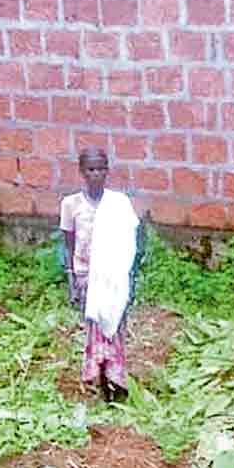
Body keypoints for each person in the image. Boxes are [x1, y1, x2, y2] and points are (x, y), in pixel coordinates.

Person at [59, 148, 141, 400]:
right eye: (90, 169)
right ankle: (103, 378)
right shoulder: (71, 204)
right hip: (86, 276)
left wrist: (129, 277)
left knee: (114, 324)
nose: (96, 174)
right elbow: (69, 243)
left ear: (107, 170)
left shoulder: (118, 204)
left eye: (101, 169)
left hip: (113, 277)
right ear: (82, 172)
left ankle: (116, 378)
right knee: (95, 325)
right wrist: (72, 277)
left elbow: (131, 241)